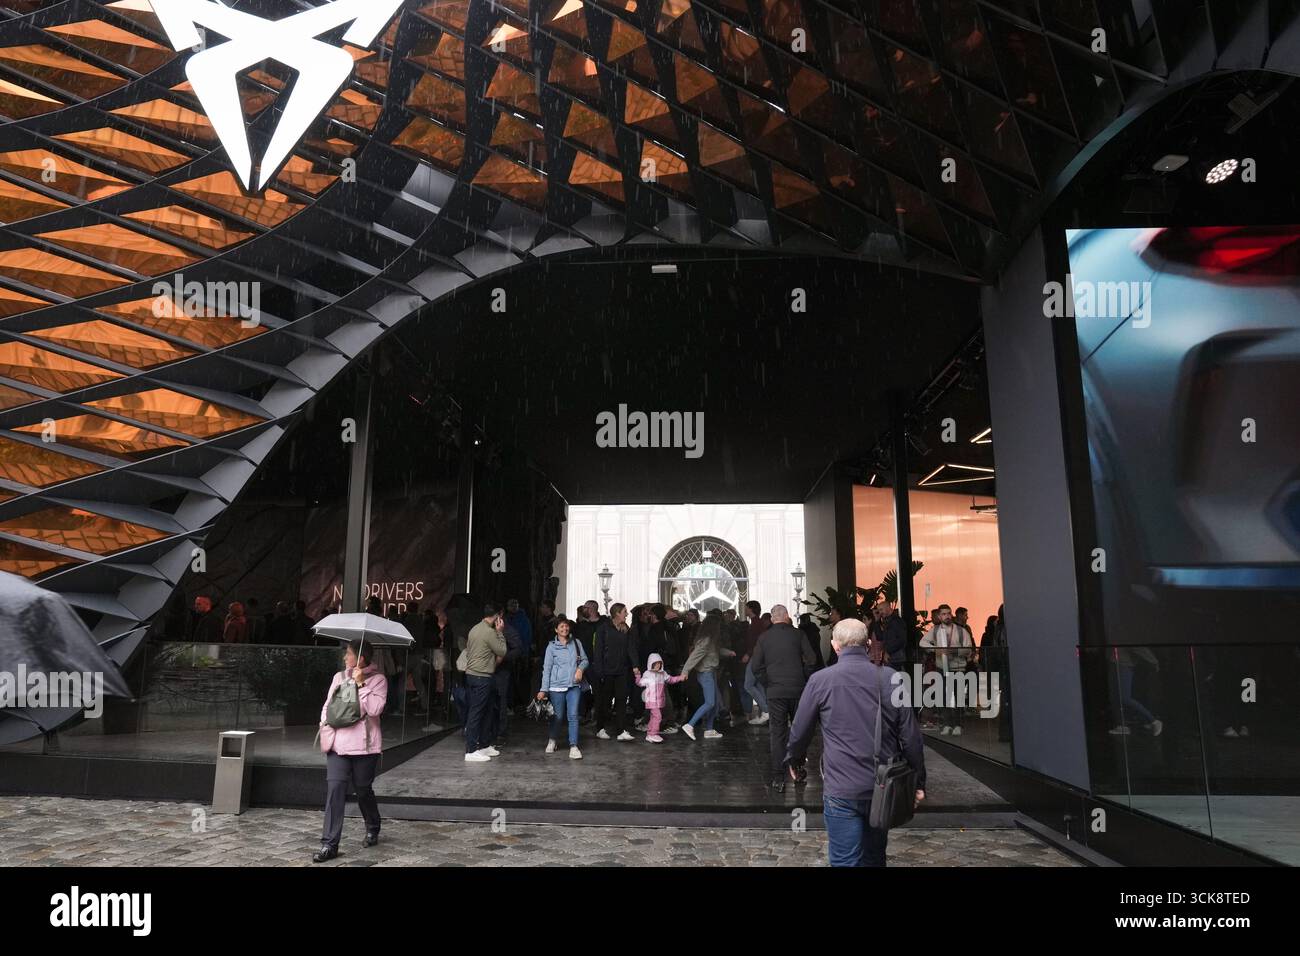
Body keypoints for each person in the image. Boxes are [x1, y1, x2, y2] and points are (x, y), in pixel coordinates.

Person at [785, 618, 926, 867]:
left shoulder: (820, 680)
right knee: (874, 858)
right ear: (868, 643)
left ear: (835, 645)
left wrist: (794, 760)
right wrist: (918, 781)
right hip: (882, 785)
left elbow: (799, 731)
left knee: (844, 861)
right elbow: (911, 737)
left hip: (841, 786)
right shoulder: (891, 678)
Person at [313, 638, 387, 863]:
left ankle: (373, 825)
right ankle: (329, 844)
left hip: (364, 748)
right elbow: (328, 705)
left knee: (363, 789)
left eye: (349, 653)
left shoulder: (378, 680)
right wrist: (324, 722)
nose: (345, 657)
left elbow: (375, 710)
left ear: (361, 658)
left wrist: (362, 685)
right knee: (335, 789)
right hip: (338, 745)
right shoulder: (339, 677)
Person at [750, 605, 816, 790]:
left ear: (771, 619)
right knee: (799, 731)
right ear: (787, 617)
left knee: (777, 734)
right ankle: (798, 769)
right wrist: (803, 676)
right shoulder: (798, 635)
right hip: (798, 690)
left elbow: (756, 667)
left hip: (775, 692)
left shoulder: (763, 638)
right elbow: (811, 659)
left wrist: (768, 682)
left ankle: (778, 778)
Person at [536, 618, 588, 758]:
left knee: (573, 715)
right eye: (561, 626)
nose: (565, 629)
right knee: (558, 716)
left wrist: (580, 669)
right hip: (556, 687)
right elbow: (546, 669)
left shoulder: (576, 643)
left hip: (573, 685)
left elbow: (585, 660)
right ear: (556, 630)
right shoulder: (551, 647)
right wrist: (543, 689)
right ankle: (552, 739)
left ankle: (573, 746)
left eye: (566, 626)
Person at [679, 611, 735, 740]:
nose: (720, 628)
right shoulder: (707, 640)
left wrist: (729, 652)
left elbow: (716, 651)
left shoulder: (710, 639)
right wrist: (685, 671)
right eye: (718, 626)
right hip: (706, 674)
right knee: (710, 702)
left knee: (714, 704)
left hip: (710, 673)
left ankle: (709, 730)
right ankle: (690, 725)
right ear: (714, 626)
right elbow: (695, 656)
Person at [919, 604, 973, 736]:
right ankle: (948, 723)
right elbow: (922, 642)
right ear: (939, 616)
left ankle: (958, 724)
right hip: (942, 668)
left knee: (958, 697)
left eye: (948, 613)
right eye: (943, 614)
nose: (947, 616)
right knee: (943, 697)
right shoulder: (935, 630)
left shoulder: (961, 630)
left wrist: (954, 651)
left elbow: (968, 648)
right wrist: (936, 649)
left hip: (958, 668)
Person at [463, 603, 507, 762]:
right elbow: (502, 651)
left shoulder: (474, 628)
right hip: (482, 677)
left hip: (475, 676)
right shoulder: (489, 632)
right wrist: (500, 633)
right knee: (476, 712)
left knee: (487, 710)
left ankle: (484, 745)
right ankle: (471, 750)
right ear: (496, 617)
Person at [593, 602, 638, 741]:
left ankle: (621, 730)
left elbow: (631, 648)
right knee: (605, 702)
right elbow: (598, 651)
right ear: (617, 613)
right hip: (607, 672)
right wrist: (600, 672)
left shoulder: (625, 629)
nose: (627, 614)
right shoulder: (603, 629)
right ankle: (600, 728)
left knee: (622, 701)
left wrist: (635, 665)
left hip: (622, 671)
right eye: (625, 611)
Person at [634, 653, 685, 743]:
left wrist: (680, 678)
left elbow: (671, 679)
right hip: (652, 701)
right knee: (658, 716)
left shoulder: (663, 674)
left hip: (660, 701)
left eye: (659, 663)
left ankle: (650, 733)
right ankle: (653, 734)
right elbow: (640, 683)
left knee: (654, 717)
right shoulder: (647, 674)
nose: (658, 665)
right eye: (655, 663)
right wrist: (638, 676)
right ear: (651, 664)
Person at [741, 600, 771, 724]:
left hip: (755, 657)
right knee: (757, 684)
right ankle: (767, 711)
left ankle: (766, 711)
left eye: (747, 608)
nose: (745, 610)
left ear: (751, 609)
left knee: (748, 685)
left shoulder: (756, 624)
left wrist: (748, 654)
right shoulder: (757, 623)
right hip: (758, 657)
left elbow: (756, 641)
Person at [869, 599, 909, 667]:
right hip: (890, 657)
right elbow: (879, 637)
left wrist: (888, 651)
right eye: (879, 611)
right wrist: (877, 620)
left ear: (888, 608)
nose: (880, 612)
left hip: (896, 658)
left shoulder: (896, 621)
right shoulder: (887, 621)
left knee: (893, 676)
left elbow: (902, 640)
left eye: (881, 610)